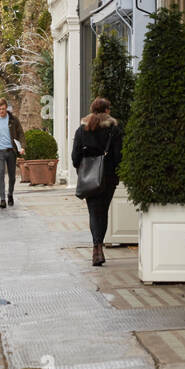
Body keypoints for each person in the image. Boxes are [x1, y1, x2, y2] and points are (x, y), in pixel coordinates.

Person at [71, 97, 122, 266]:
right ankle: (99, 247)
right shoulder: (113, 129)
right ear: (107, 110)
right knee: (103, 212)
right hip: (108, 177)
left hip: (89, 178)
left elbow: (75, 157)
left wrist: (82, 168)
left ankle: (96, 247)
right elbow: (118, 156)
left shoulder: (82, 129)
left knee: (93, 212)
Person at [0, 98, 24, 209]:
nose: (1, 111)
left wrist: (22, 147)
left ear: (6, 108)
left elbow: (21, 133)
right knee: (0, 173)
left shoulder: (13, 120)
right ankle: (2, 199)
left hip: (11, 150)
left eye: (3, 109)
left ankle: (10, 194)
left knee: (12, 176)